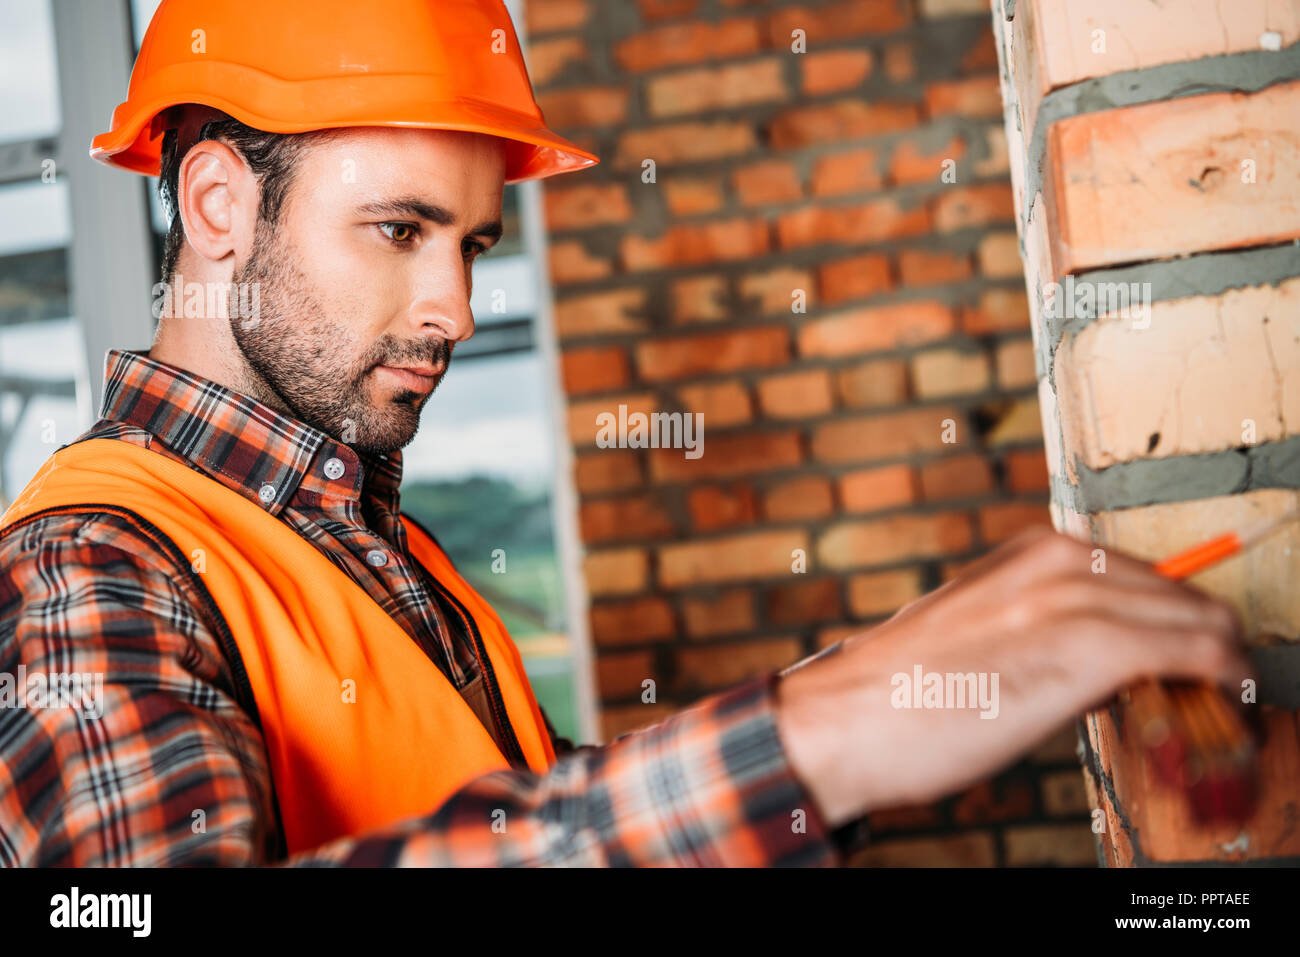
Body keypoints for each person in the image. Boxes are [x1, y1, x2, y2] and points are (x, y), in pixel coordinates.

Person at [0, 0, 1249, 866]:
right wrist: (820, 739)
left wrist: (898, 668)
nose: (455, 309)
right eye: (399, 230)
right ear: (220, 201)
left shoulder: (365, 548)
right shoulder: (84, 569)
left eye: (473, 244)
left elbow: (502, 817)